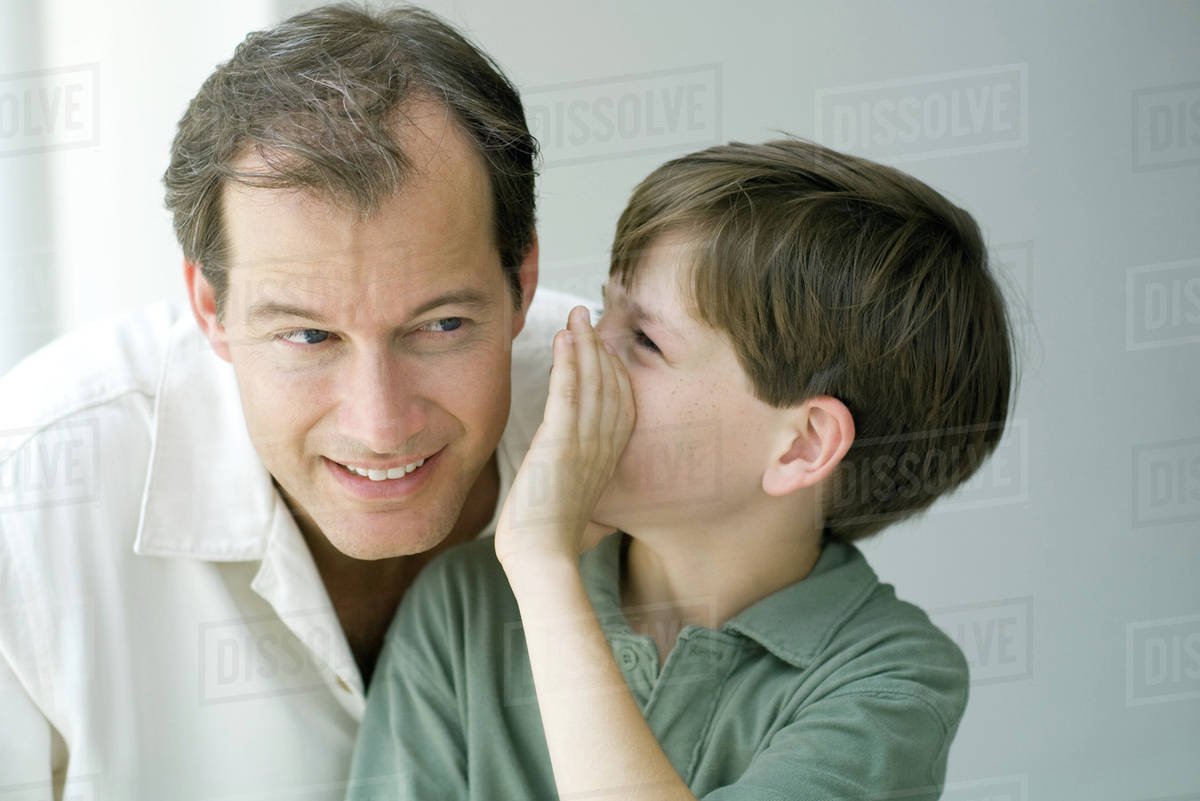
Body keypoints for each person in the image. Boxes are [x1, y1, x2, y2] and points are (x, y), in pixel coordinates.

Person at [0, 5, 582, 798]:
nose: (380, 425)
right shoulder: (29, 499)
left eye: (441, 325)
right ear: (211, 307)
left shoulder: (651, 421)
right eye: (308, 337)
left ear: (522, 281)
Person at [347, 138, 1017, 800]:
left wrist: (544, 569)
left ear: (802, 445)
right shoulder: (464, 611)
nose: (574, 351)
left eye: (643, 339)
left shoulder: (889, 682)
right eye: (605, 308)